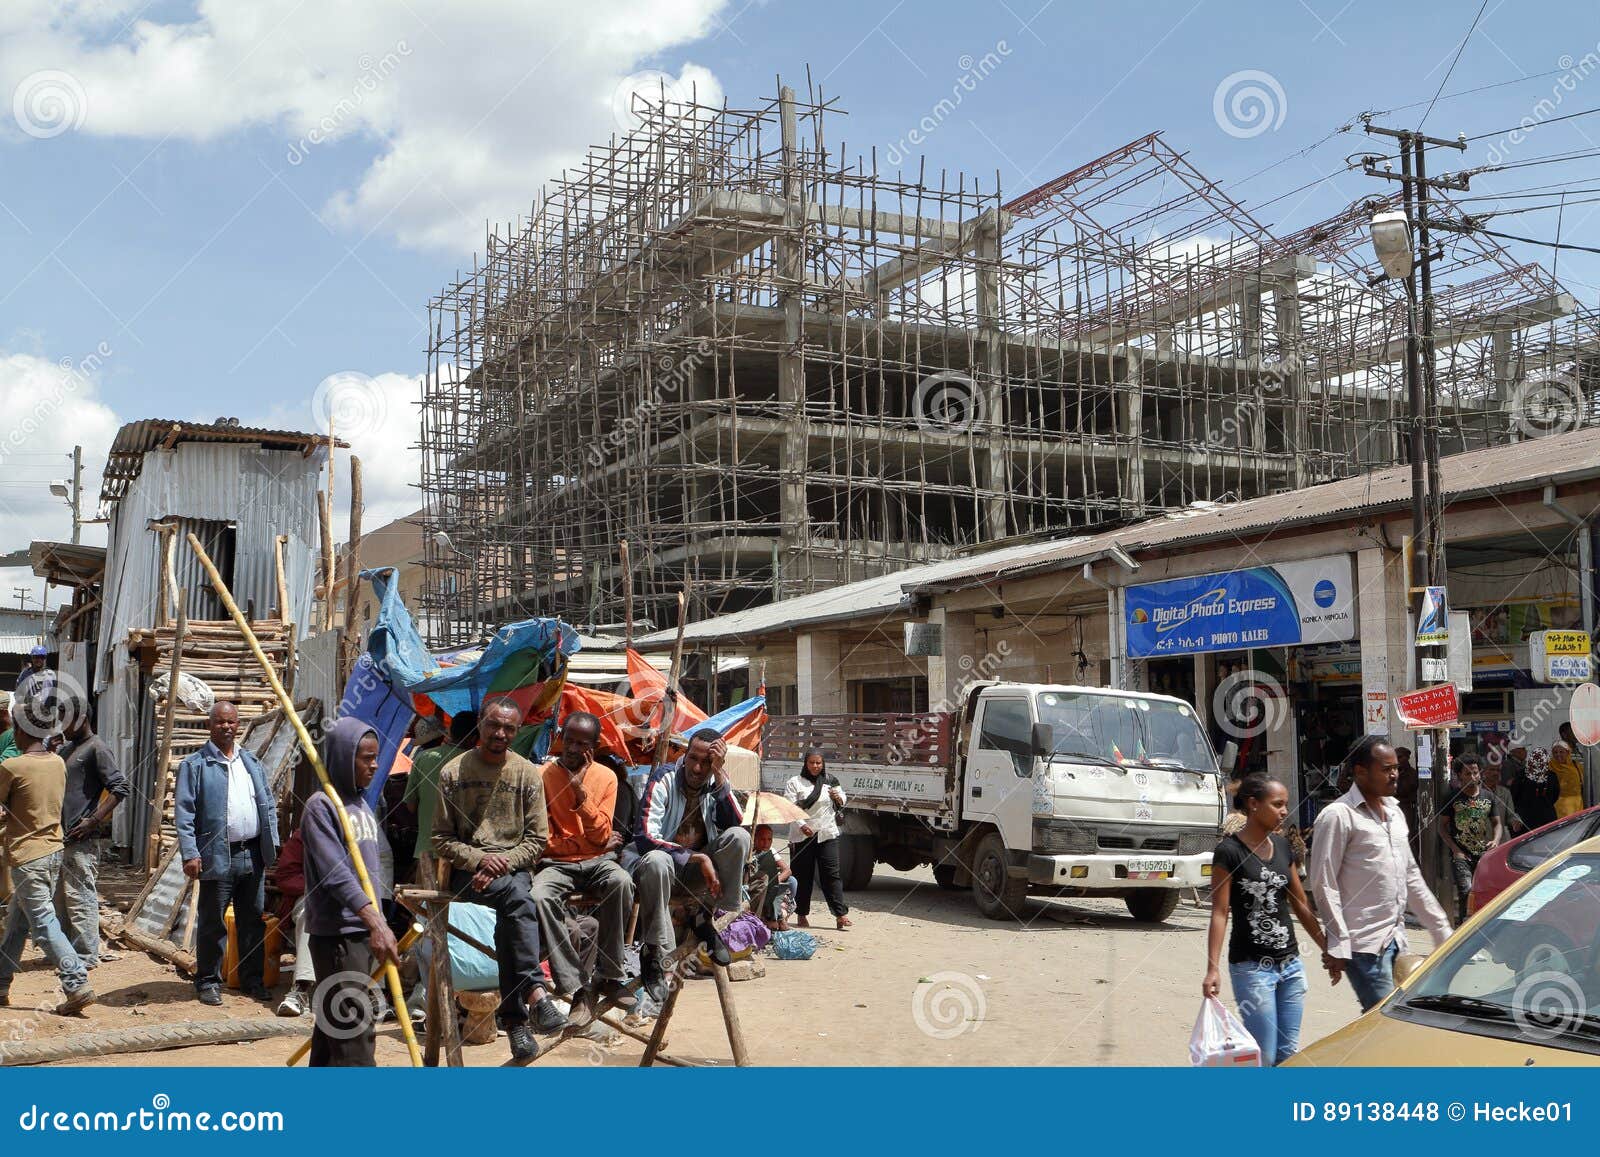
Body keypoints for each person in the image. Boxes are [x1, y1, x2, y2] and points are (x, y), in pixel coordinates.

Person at [432, 697, 563, 1061]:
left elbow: (537, 839)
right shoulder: (453, 773)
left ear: (517, 731)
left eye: (508, 728)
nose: (500, 733)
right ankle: (534, 994)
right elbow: (440, 838)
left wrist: (500, 864)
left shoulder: (526, 774)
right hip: (465, 876)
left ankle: (517, 1024)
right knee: (519, 903)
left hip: (512, 873)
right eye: (493, 725)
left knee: (514, 909)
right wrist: (479, 861)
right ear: (480, 723)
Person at [1308, 736, 1452, 1011]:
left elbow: (1411, 877)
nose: (1395, 773)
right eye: (1386, 769)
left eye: (1395, 767)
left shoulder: (1395, 812)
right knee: (1388, 1020)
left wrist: (1441, 929)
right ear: (1360, 771)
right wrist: (1338, 943)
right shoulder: (1338, 815)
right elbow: (1323, 883)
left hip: (1397, 938)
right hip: (1363, 946)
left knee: (1396, 1022)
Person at [1203, 773, 1334, 1066]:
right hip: (1251, 969)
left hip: (1291, 966)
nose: (1285, 811)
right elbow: (1220, 912)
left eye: (1285, 804)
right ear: (1253, 805)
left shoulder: (1283, 847)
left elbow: (1300, 904)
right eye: (1277, 804)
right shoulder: (1229, 852)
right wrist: (1212, 969)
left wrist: (1326, 947)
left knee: (1288, 1055)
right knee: (1265, 1054)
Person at [299, 718, 400, 1066]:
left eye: (376, 757)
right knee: (355, 1038)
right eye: (366, 758)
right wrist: (375, 921)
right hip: (340, 935)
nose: (374, 765)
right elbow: (336, 874)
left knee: (334, 1034)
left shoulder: (361, 805)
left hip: (362, 932)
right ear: (344, 758)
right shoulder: (322, 806)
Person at [531, 712, 636, 1025]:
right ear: (561, 738)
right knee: (539, 896)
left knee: (621, 881)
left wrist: (580, 794)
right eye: (570, 740)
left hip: (598, 862)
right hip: (557, 864)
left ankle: (611, 974)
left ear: (594, 746)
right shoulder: (543, 775)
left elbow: (603, 835)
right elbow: (544, 838)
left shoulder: (606, 777)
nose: (573, 748)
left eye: (582, 743)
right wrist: (584, 844)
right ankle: (574, 984)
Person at [174, 701, 280, 1006]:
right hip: (217, 855)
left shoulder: (250, 762)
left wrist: (271, 843)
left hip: (252, 854)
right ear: (210, 725)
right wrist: (190, 853)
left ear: (238, 725)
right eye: (220, 722)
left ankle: (251, 980)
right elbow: (184, 813)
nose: (227, 727)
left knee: (252, 920)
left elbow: (268, 804)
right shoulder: (195, 765)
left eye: (232, 722)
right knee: (212, 921)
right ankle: (208, 981)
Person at [635, 728, 750, 1002]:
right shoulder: (663, 779)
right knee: (656, 859)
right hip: (662, 872)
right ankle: (652, 952)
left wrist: (720, 774)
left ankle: (706, 918)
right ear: (684, 756)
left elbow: (734, 823)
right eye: (693, 759)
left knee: (739, 837)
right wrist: (698, 857)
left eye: (707, 762)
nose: (698, 768)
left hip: (698, 878)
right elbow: (645, 838)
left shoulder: (715, 783)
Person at [0, 695, 94, 1012]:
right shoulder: (56, 762)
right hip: (53, 852)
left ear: (21, 731)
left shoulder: (12, 766)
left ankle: (76, 982)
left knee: (43, 924)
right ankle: (0, 984)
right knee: (17, 924)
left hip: (27, 857)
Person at [54, 703, 129, 966]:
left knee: (80, 897)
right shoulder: (67, 749)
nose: (62, 726)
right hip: (61, 838)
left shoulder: (97, 748)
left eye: (66, 721)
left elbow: (120, 787)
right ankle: (64, 953)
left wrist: (93, 820)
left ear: (82, 718)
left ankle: (86, 955)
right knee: (60, 899)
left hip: (81, 839)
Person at [783, 750, 851, 930]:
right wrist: (801, 825)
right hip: (802, 836)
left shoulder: (830, 780)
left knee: (832, 875)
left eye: (818, 763)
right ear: (805, 763)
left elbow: (842, 797)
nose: (815, 766)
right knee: (802, 877)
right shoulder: (794, 783)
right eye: (812, 763)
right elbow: (789, 807)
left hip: (827, 834)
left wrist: (839, 798)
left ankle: (840, 914)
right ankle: (801, 914)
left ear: (823, 764)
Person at [405, 710, 474, 881]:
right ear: (474, 738)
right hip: (464, 856)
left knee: (423, 906)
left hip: (426, 851)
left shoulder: (423, 759)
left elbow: (410, 806)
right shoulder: (476, 762)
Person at [1439, 753, 1503, 924]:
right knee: (1466, 891)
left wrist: (1496, 840)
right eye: (1468, 773)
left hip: (1484, 854)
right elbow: (1441, 827)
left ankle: (1482, 926)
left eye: (1475, 772)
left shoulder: (1488, 797)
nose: (1473, 776)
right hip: (1461, 855)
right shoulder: (1452, 797)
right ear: (1459, 775)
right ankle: (1463, 928)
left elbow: (1498, 824)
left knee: (1484, 892)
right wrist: (1455, 850)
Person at [747, 824, 795, 930]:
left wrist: (774, 880)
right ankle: (775, 918)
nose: (766, 843)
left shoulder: (771, 851)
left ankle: (778, 916)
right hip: (755, 889)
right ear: (754, 838)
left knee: (792, 881)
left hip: (772, 887)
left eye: (769, 839)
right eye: (762, 839)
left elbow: (787, 870)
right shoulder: (749, 852)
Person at [1513, 747, 1562, 832]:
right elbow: (1514, 794)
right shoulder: (1521, 775)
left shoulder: (1551, 776)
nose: (1538, 761)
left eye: (1540, 758)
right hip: (1526, 819)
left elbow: (1555, 795)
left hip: (1547, 818)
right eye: (1535, 758)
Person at [1480, 755, 1524, 838]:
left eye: (1498, 770)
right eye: (1492, 769)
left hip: (1499, 841)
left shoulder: (1504, 792)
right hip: (1479, 843)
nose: (1495, 773)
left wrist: (1515, 822)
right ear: (1483, 772)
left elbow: (1511, 815)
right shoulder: (1474, 791)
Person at [1394, 746, 1419, 856]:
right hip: (1395, 807)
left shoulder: (1412, 774)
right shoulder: (1394, 773)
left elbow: (1404, 790)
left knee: (1409, 835)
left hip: (1407, 808)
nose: (1397, 760)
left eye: (1400, 757)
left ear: (1407, 758)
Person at [1550, 739, 1584, 819]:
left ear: (1568, 752)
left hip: (1576, 805)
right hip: (1557, 807)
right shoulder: (1549, 766)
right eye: (1555, 752)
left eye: (1561, 752)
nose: (1558, 755)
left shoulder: (1576, 765)